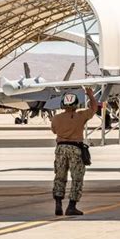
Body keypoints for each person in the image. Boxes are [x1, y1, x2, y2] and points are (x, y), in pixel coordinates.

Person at [51, 87, 97, 216]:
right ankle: (71, 206)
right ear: (76, 104)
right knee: (77, 178)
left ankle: (58, 204)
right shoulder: (81, 116)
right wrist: (90, 95)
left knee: (59, 176)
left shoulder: (56, 118)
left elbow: (54, 131)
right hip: (75, 149)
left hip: (60, 148)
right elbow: (94, 108)